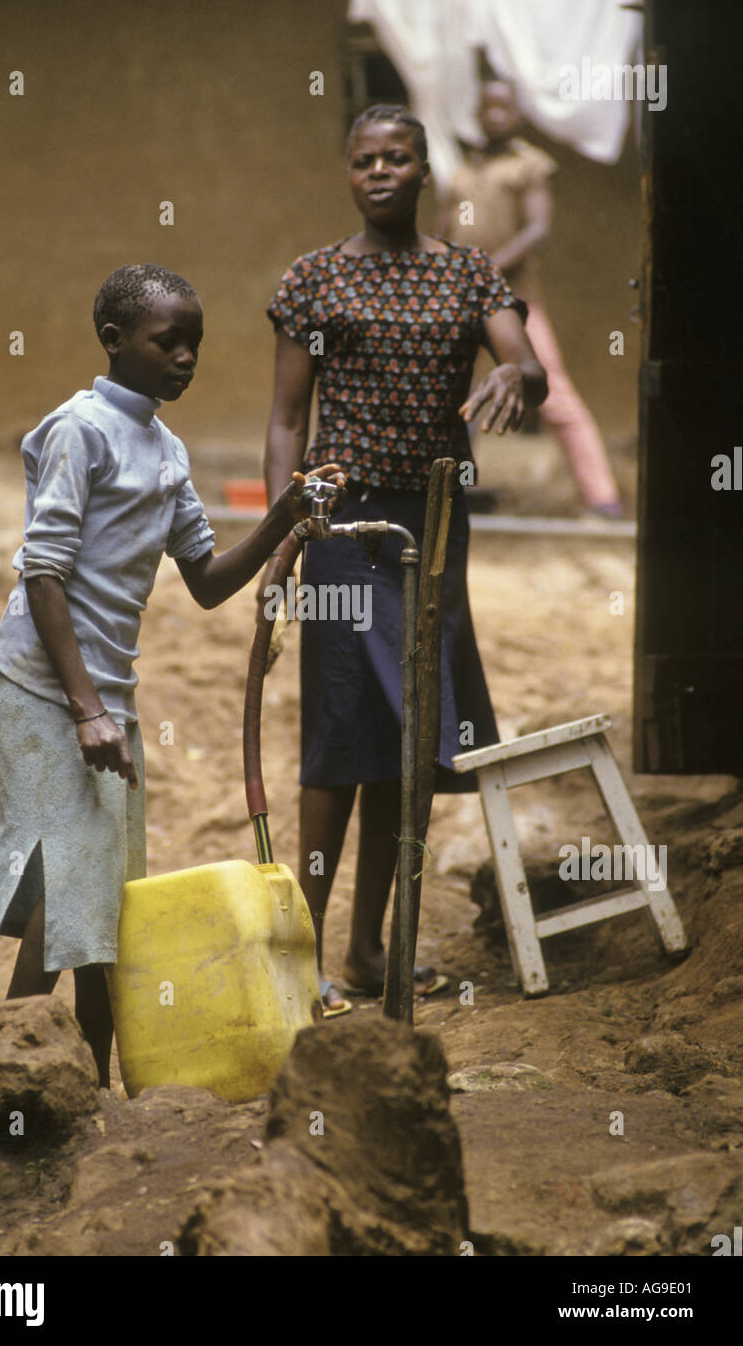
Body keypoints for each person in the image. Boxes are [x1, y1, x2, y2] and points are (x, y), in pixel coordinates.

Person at [0, 263, 344, 1085]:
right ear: (113, 341)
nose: (185, 359)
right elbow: (43, 573)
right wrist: (85, 709)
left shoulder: (167, 451)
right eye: (167, 342)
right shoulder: (81, 431)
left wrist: (283, 518)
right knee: (77, 880)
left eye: (194, 345)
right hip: (43, 688)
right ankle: (4, 1082)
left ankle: (94, 1083)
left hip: (106, 698)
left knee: (104, 900)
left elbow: (207, 581)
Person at [261, 105, 547, 1016]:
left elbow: (525, 366)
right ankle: (300, 954)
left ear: (427, 170)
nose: (380, 172)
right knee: (341, 728)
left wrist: (515, 375)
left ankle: (366, 946)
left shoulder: (468, 274)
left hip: (431, 527)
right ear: (348, 174)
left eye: (398, 158)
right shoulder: (312, 281)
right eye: (364, 160)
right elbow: (283, 423)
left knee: (409, 732)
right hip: (342, 530)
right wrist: (284, 532)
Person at [436, 79, 623, 518]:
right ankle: (449, 497)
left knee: (554, 396)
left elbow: (537, 230)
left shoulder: (531, 167)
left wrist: (486, 271)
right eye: (488, 107)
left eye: (505, 107)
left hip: (514, 304)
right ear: (479, 114)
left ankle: (603, 500)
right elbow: (443, 235)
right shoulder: (463, 173)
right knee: (454, 396)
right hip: (461, 303)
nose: (495, 115)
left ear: (518, 115)